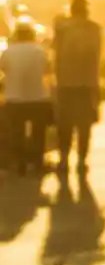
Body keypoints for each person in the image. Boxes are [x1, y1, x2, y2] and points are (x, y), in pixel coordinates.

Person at [53, 0, 103, 176]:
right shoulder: (94, 29)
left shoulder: (62, 29)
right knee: (85, 126)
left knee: (64, 125)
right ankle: (82, 160)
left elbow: (56, 55)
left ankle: (64, 159)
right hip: (87, 83)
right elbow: (97, 59)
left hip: (66, 83)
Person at [0, 22, 53, 176]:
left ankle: (19, 163)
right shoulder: (40, 51)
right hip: (38, 98)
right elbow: (48, 71)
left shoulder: (8, 52)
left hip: (14, 98)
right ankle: (37, 163)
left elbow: (3, 70)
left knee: (16, 132)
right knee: (38, 132)